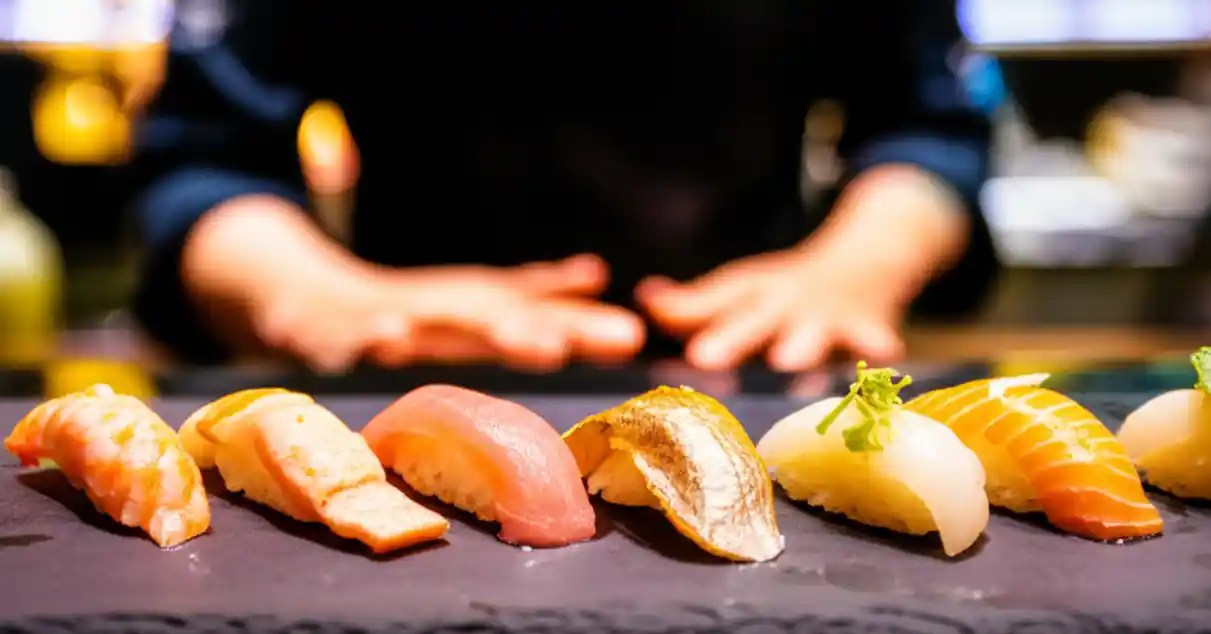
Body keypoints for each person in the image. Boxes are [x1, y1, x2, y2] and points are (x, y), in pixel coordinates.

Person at [129, 0, 998, 373]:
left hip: (758, 362)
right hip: (410, 368)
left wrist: (863, 261)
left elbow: (928, 124)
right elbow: (204, 160)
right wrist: (311, 295)